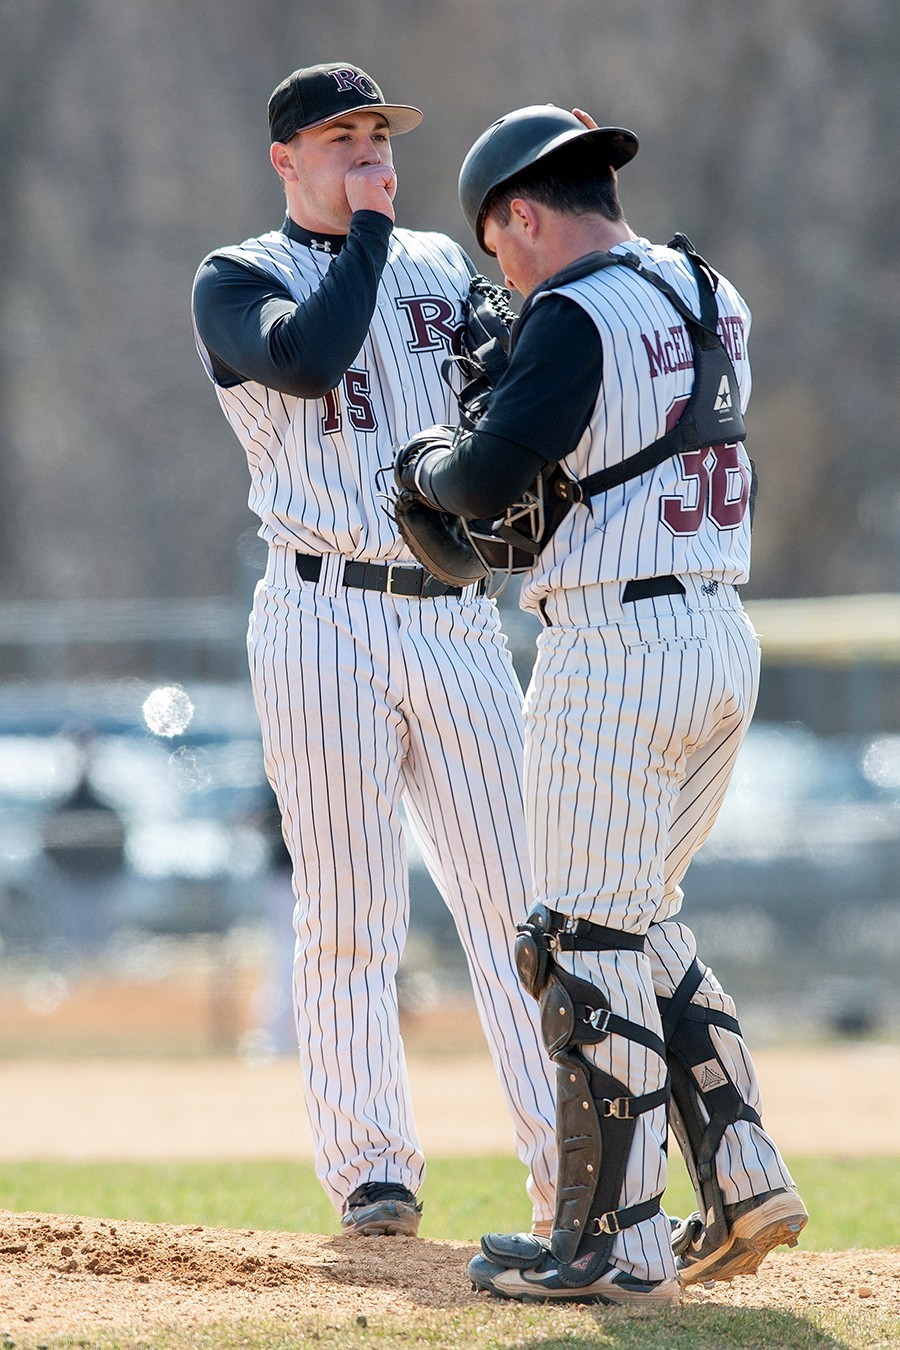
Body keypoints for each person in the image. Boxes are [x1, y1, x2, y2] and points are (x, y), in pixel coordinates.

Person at [394, 105, 808, 1305]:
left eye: (499, 246)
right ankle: (743, 1172)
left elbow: (478, 484)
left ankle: (614, 1245)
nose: (503, 277)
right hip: (720, 634)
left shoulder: (573, 312)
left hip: (617, 646)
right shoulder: (707, 286)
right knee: (633, 920)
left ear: (522, 213)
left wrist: (425, 463)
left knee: (575, 942)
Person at [190, 63, 557, 1239]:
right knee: (349, 909)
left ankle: (574, 1170)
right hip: (319, 611)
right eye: (340, 139)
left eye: (380, 135)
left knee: (521, 905)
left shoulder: (445, 268)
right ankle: (371, 1172)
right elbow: (307, 358)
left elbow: (522, 377)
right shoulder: (238, 275)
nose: (370, 154)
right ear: (285, 160)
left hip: (450, 611)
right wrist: (374, 231)